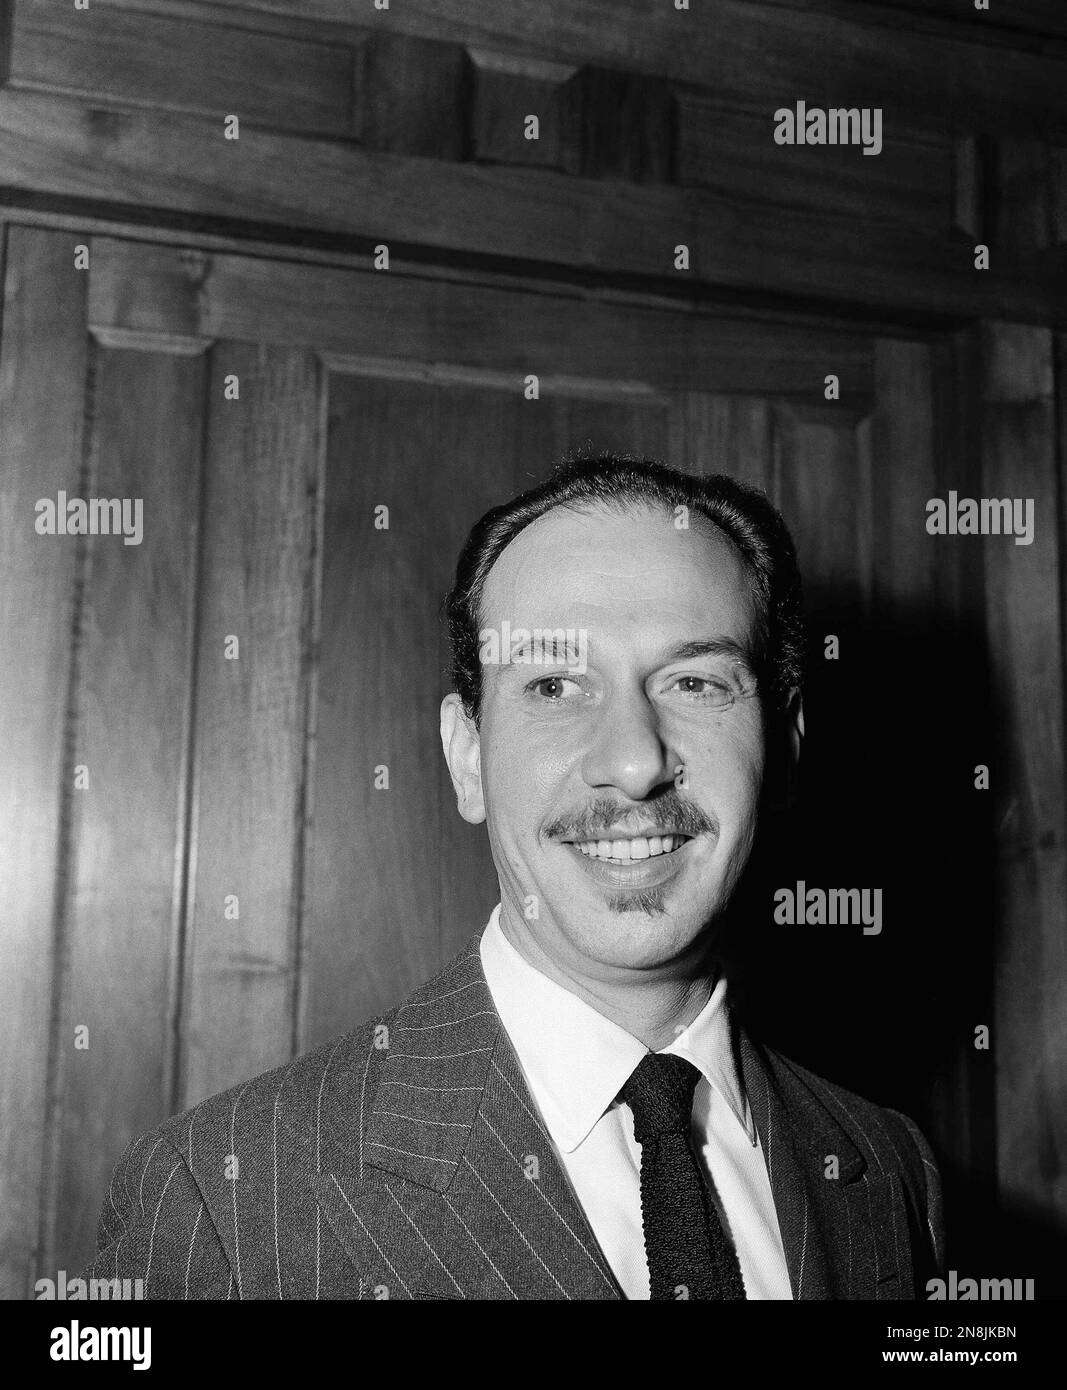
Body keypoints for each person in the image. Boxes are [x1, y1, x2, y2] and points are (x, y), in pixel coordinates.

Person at [82, 456, 943, 1300]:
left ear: (785, 749)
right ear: (467, 756)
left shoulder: (890, 1167)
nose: (635, 762)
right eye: (556, 685)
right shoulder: (227, 1202)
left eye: (694, 681)